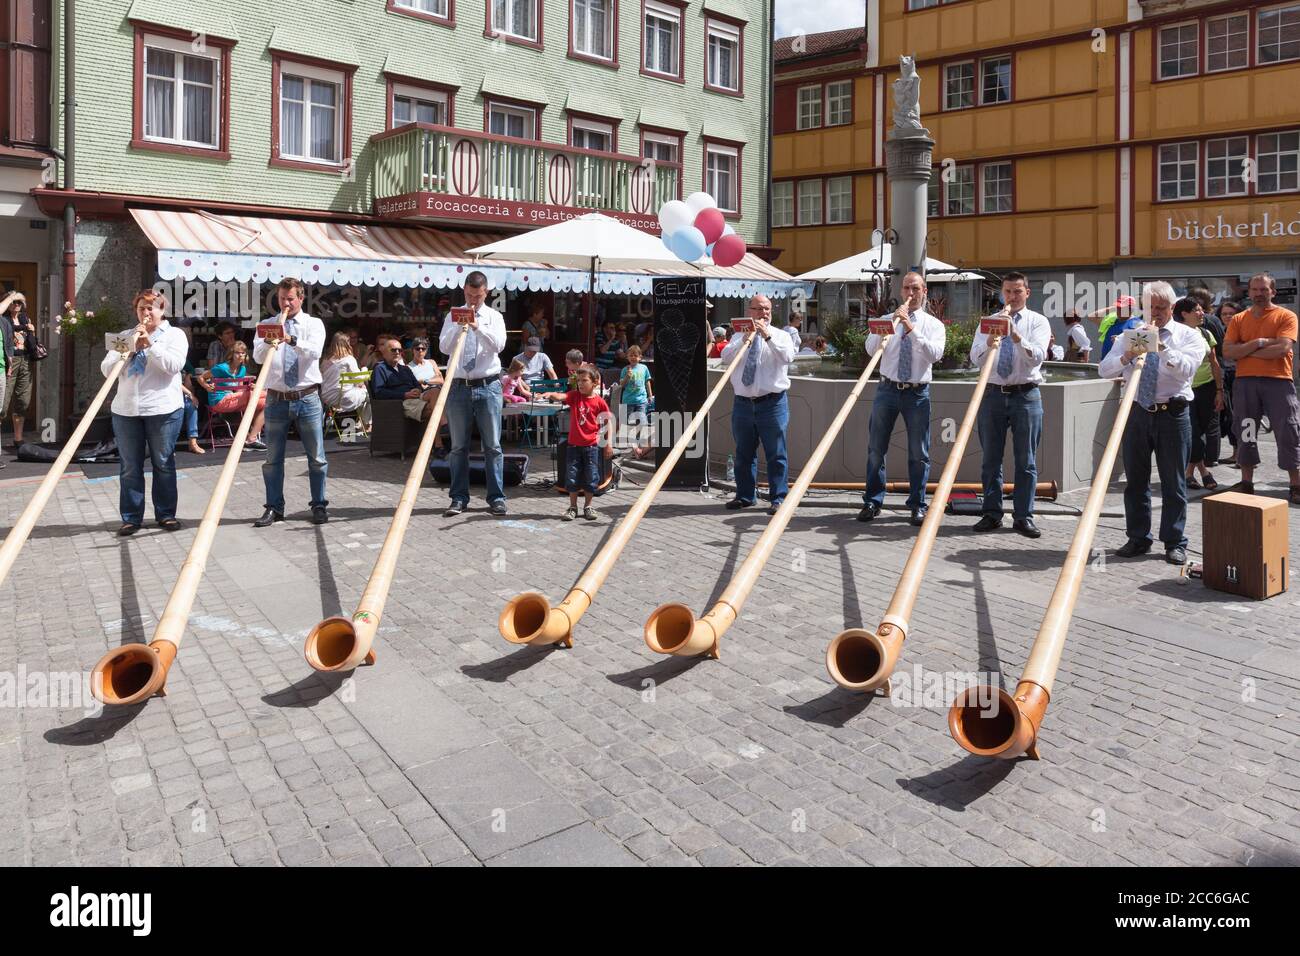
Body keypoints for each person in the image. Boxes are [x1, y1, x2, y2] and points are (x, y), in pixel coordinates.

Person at [1099, 282, 1206, 564]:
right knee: (1135, 480)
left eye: (1160, 308)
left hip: (1173, 412)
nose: (1155, 313)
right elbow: (1104, 369)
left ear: (1172, 307)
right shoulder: (1131, 333)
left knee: (1173, 481)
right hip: (1137, 411)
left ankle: (1174, 541)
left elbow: (1187, 371)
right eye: (1150, 308)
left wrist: (1162, 347)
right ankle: (1138, 537)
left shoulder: (1189, 336)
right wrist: (1126, 355)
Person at [859, 272, 946, 526]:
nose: (911, 293)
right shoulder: (886, 319)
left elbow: (935, 355)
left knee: (919, 452)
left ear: (925, 291)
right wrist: (890, 324)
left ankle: (917, 505)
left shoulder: (933, 325)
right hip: (887, 389)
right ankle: (873, 501)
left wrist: (910, 328)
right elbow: (870, 349)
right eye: (907, 288)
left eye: (916, 288)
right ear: (900, 291)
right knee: (876, 449)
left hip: (917, 392)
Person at [970, 272, 1052, 538]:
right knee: (990, 459)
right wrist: (990, 343)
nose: (1012, 297)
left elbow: (1037, 358)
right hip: (993, 393)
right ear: (1001, 293)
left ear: (1027, 293)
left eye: (1017, 291)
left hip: (1025, 395)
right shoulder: (989, 322)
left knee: (1025, 461)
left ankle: (1023, 516)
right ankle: (992, 514)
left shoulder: (1038, 322)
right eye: (1007, 292)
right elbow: (975, 359)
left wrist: (1015, 336)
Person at [102, 290, 188, 535]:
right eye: (142, 308)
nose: (146, 312)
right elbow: (106, 369)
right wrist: (126, 351)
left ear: (162, 310)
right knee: (130, 465)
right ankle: (131, 517)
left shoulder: (175, 335)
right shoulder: (126, 336)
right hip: (126, 409)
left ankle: (166, 514)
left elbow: (174, 366)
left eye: (151, 308)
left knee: (163, 462)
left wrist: (150, 346)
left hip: (162, 408)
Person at [253, 277, 329, 527]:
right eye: (281, 299)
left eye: (290, 299)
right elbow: (258, 356)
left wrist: (291, 339)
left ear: (301, 298)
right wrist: (269, 340)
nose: (285, 303)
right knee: (273, 458)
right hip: (276, 398)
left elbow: (316, 352)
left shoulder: (313, 323)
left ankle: (318, 504)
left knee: (316, 457)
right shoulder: (267, 324)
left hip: (306, 397)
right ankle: (274, 507)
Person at [1222, 273, 1300, 503]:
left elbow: (1282, 349)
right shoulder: (1238, 319)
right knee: (1246, 431)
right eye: (1254, 290)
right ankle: (1247, 482)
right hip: (1245, 382)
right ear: (1249, 292)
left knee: (1287, 431)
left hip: (1279, 381)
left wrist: (1244, 350)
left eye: (1263, 289)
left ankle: (1295, 484)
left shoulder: (1286, 316)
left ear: (1272, 292)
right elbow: (1227, 352)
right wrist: (1258, 343)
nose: (1258, 293)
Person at [720, 295, 796, 515]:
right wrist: (743, 341)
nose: (764, 313)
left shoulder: (783, 335)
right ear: (750, 311)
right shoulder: (738, 334)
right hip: (743, 403)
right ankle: (745, 496)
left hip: (772, 403)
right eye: (760, 309)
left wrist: (768, 336)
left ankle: (778, 498)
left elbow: (788, 358)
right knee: (743, 453)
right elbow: (725, 357)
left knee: (776, 454)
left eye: (768, 309)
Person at [440, 270, 508, 517]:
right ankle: (458, 498)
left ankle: (496, 498)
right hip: (459, 386)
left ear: (485, 293)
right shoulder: (453, 314)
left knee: (493, 445)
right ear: (464, 290)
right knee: (458, 446)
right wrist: (459, 327)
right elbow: (443, 347)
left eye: (477, 296)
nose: (472, 300)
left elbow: (499, 346)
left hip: (488, 385)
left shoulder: (494, 316)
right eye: (469, 295)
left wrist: (477, 327)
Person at [1172, 296, 1223, 491]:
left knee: (1205, 430)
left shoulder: (1205, 333)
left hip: (1208, 387)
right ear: (1184, 314)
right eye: (1197, 310)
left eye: (1202, 310)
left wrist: (1219, 390)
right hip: (1185, 389)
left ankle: (1192, 472)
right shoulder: (1176, 334)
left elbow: (1214, 362)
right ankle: (1202, 473)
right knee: (1192, 432)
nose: (1202, 314)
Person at [561, 366, 615, 521]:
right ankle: (572, 507)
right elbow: (561, 396)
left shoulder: (599, 402)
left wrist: (608, 444)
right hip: (573, 447)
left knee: (591, 477)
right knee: (572, 476)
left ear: (595, 382)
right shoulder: (574, 396)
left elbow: (608, 422)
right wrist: (549, 394)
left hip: (591, 447)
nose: (580, 384)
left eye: (584, 380)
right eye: (578, 381)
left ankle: (588, 506)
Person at [372, 333, 445, 437]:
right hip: (400, 403)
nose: (397, 352)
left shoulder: (405, 369)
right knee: (436, 408)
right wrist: (404, 395)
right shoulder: (380, 368)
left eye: (399, 350)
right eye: (393, 350)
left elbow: (418, 385)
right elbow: (379, 392)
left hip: (415, 398)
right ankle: (441, 437)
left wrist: (418, 390)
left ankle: (440, 432)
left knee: (436, 392)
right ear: (384, 352)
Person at [205, 341, 267, 449]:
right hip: (219, 401)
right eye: (238, 353)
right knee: (268, 396)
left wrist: (250, 388)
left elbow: (238, 390)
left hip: (232, 400)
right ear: (231, 354)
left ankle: (251, 438)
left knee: (267, 403)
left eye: (243, 353)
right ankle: (250, 438)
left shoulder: (242, 369)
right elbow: (201, 377)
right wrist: (207, 387)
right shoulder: (222, 368)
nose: (241, 355)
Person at [2, 290, 39, 464]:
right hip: (10, 361)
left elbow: (31, 342)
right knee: (3, 403)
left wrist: (32, 331)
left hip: (25, 360)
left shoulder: (25, 319)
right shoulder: (3, 320)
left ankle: (18, 439)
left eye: (19, 302)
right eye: (13, 302)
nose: (16, 305)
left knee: (23, 401)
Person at [319, 332, 369, 415]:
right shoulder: (348, 359)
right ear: (347, 343)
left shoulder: (325, 360)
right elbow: (359, 379)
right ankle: (366, 424)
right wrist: (364, 369)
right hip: (344, 398)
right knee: (369, 395)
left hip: (327, 398)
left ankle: (361, 422)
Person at [1216, 300, 1241, 465]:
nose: (1227, 316)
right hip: (1225, 375)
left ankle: (1244, 455)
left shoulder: (1243, 330)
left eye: (1231, 313)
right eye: (1224, 314)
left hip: (1241, 375)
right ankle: (1235, 452)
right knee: (1229, 416)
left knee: (1242, 415)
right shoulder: (1220, 331)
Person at [618, 343, 653, 429]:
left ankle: (640, 438)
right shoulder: (625, 369)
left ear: (640, 357)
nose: (633, 357)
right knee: (629, 422)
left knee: (642, 421)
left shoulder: (644, 368)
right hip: (628, 400)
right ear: (627, 357)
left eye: (635, 355)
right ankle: (629, 438)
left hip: (641, 400)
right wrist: (627, 376)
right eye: (631, 355)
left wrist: (650, 395)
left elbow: (647, 382)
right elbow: (621, 385)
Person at [178, 362, 206, 455]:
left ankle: (193, 442)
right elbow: (174, 383)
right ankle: (169, 445)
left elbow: (191, 370)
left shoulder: (183, 361)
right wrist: (190, 394)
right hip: (168, 396)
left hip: (182, 394)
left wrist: (189, 376)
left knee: (191, 405)